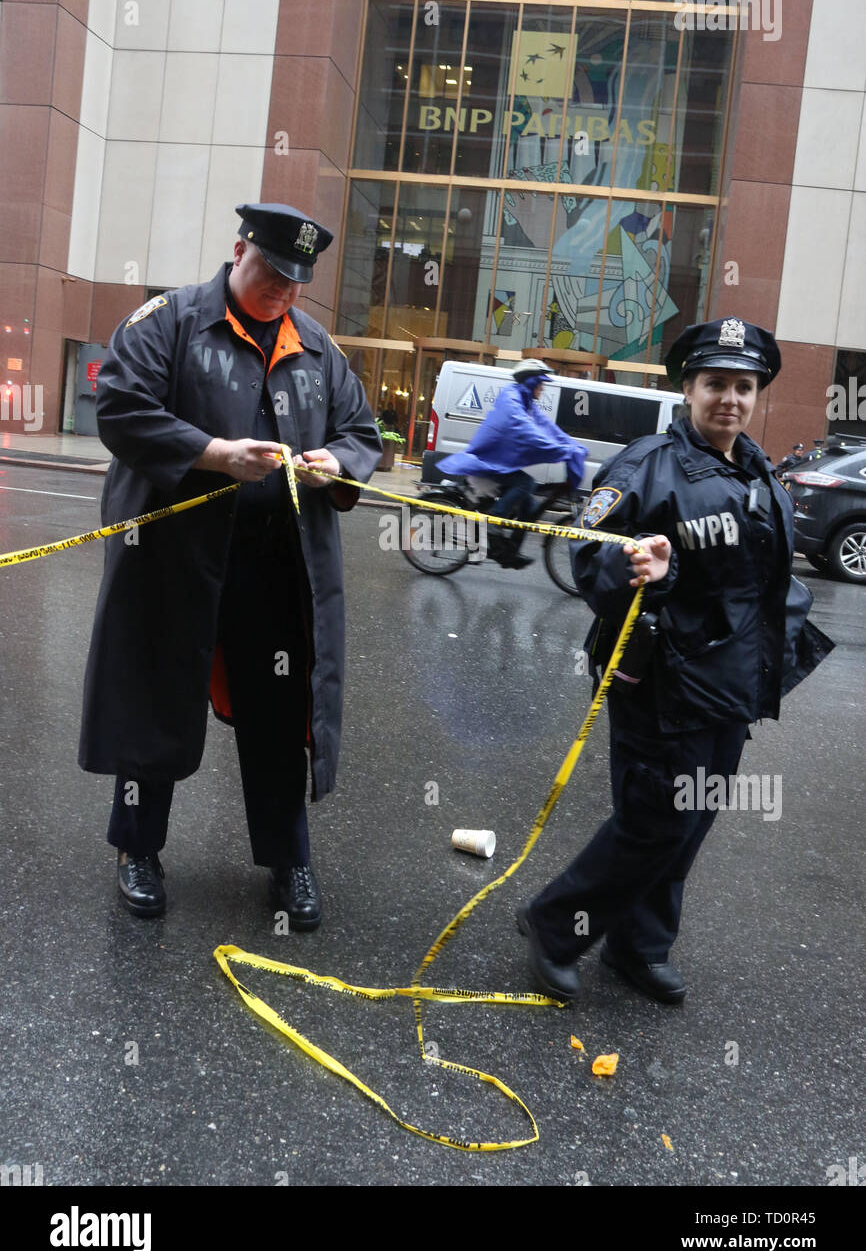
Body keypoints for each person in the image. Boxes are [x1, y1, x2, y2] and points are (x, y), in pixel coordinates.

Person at [79, 202, 382, 925]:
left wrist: (336, 461)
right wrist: (214, 455)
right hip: (171, 561)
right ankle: (138, 849)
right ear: (239, 250)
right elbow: (119, 405)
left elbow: (363, 433)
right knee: (155, 700)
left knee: (280, 714)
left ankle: (289, 861)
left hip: (276, 569)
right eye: (272, 272)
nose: (283, 290)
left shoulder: (316, 348)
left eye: (296, 280)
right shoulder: (170, 322)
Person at [517, 317, 833, 1004]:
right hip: (660, 681)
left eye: (744, 386)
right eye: (715, 383)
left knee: (694, 820)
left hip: (731, 685)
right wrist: (642, 570)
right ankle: (554, 924)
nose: (730, 398)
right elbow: (588, 551)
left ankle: (639, 947)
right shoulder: (645, 465)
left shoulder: (754, 467)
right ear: (688, 388)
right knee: (655, 819)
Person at [439, 359, 588, 569]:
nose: (542, 388)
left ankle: (510, 551)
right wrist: (561, 450)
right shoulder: (511, 399)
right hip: (488, 461)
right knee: (525, 483)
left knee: (530, 508)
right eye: (541, 384)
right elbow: (524, 427)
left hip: (500, 462)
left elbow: (547, 427)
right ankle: (493, 524)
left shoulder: (526, 402)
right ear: (531, 382)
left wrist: (572, 445)